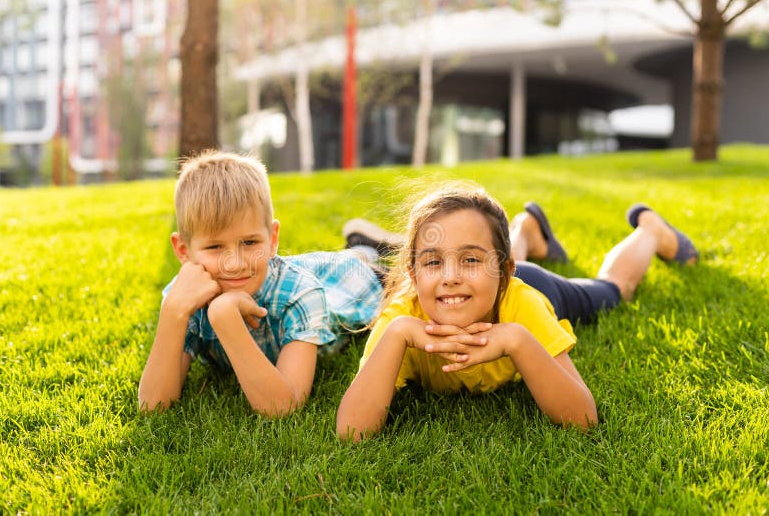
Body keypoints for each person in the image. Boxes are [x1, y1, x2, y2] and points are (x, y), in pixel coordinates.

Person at [336, 184, 698, 441]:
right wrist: (398, 334)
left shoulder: (522, 304)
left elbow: (582, 418)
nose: (450, 278)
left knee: (610, 292)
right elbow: (351, 431)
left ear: (505, 272)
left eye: (470, 259)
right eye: (433, 262)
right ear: (413, 275)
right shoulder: (402, 315)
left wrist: (517, 339)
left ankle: (650, 231)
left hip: (534, 285)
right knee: (487, 257)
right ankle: (527, 229)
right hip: (497, 272)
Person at [138, 151, 383, 416]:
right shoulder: (184, 297)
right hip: (300, 270)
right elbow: (153, 406)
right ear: (184, 251)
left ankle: (367, 250)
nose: (234, 263)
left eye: (250, 242)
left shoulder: (301, 294)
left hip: (353, 282)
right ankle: (362, 245)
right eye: (214, 246)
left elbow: (284, 407)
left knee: (401, 270)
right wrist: (173, 311)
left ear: (272, 238)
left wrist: (224, 317)